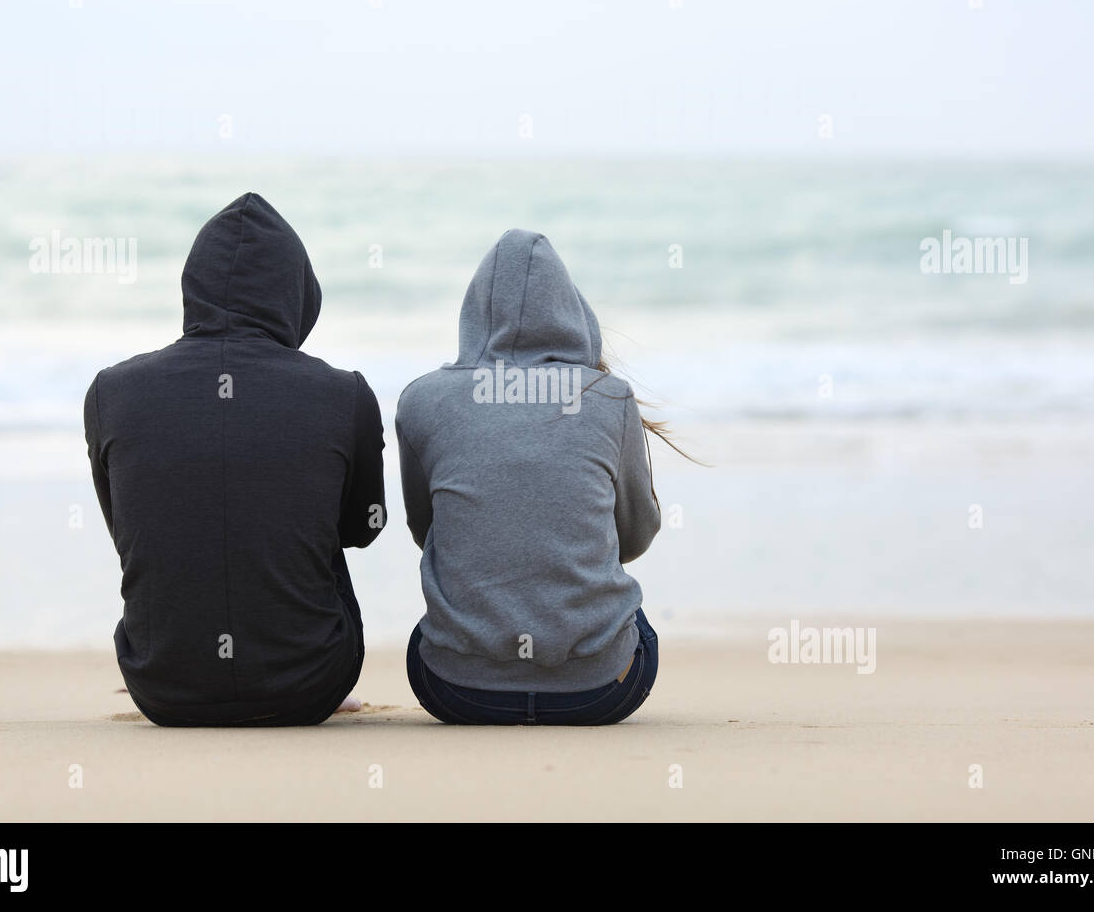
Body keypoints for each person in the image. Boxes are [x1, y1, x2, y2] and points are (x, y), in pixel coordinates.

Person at [83, 193, 386, 726]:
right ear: (298, 294)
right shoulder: (344, 394)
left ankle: (193, 660)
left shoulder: (112, 391)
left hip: (159, 686)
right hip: (310, 684)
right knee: (302, 524)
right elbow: (362, 529)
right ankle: (292, 650)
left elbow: (126, 527)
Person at [396, 229, 665, 725]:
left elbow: (429, 532)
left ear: (473, 315)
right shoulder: (610, 398)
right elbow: (637, 534)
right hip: (602, 690)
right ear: (573, 314)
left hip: (456, 691)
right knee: (633, 622)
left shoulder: (423, 399)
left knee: (431, 632)